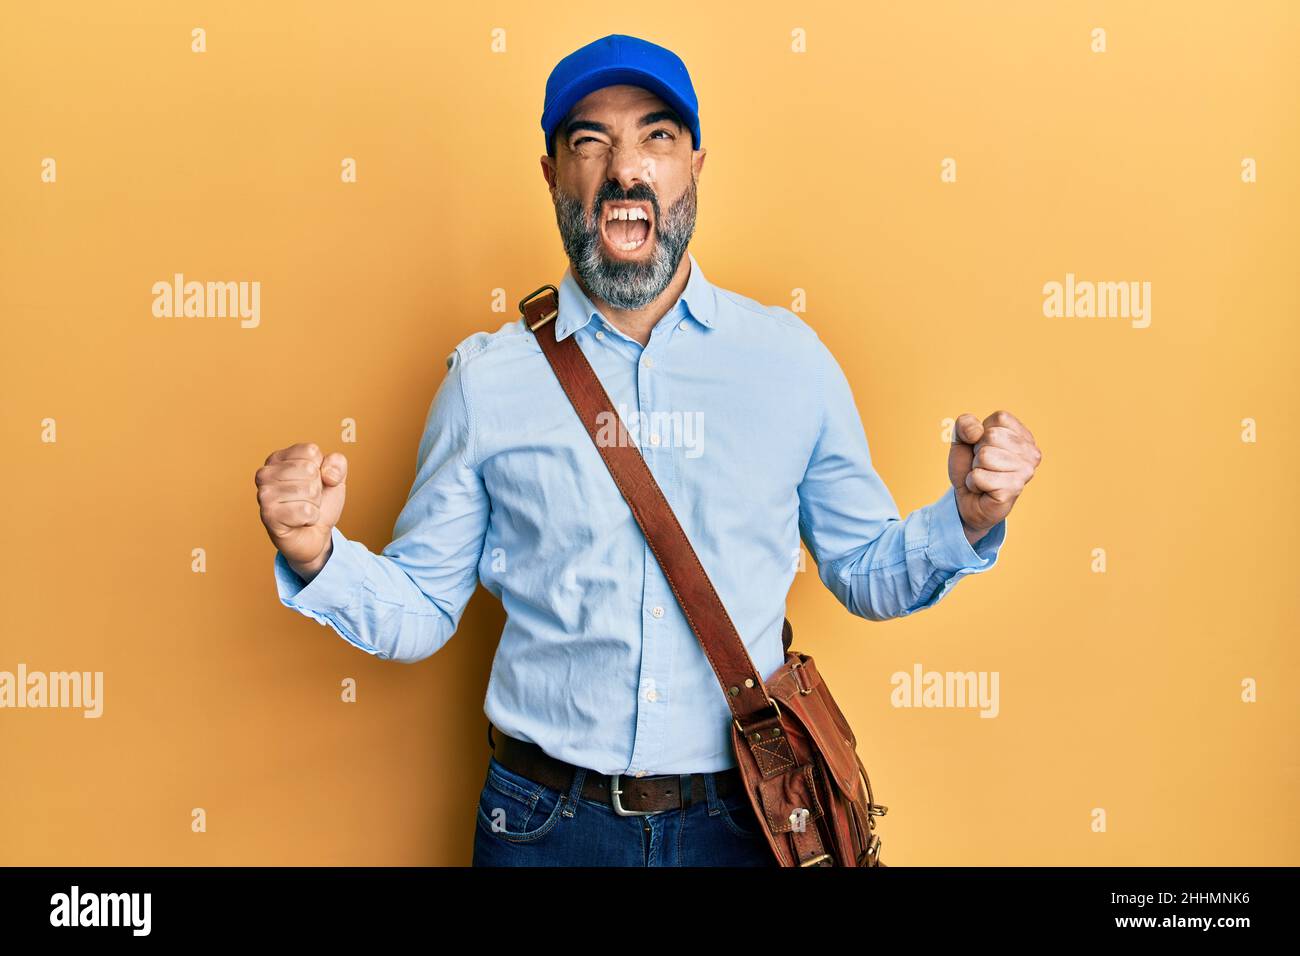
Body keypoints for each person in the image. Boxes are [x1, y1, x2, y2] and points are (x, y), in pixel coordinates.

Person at [254, 33, 1043, 867]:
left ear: (695, 164)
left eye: (656, 136)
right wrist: (317, 556)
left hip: (748, 824)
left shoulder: (789, 362)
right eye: (590, 140)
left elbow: (865, 571)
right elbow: (421, 608)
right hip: (542, 825)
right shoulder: (485, 382)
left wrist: (967, 516)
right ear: (554, 174)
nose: (625, 168)